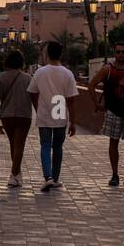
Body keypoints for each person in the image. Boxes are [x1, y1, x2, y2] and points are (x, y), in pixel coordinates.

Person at [88, 40, 124, 186]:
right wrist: (97, 104)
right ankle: (114, 175)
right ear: (114, 52)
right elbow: (92, 84)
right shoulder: (107, 69)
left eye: (123, 52)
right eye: (118, 52)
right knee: (113, 142)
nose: (120, 55)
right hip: (113, 111)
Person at [27, 40, 78, 191]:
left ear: (47, 54)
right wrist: (73, 122)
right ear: (61, 54)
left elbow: (32, 92)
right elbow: (71, 100)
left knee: (45, 145)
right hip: (60, 112)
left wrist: (37, 107)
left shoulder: (40, 72)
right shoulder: (67, 74)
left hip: (44, 113)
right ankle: (55, 178)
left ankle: (47, 177)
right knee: (57, 147)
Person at [0, 49, 33, 187]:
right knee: (19, 145)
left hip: (7, 115)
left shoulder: (2, 77)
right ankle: (14, 174)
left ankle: (16, 174)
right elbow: (33, 95)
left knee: (13, 144)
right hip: (24, 115)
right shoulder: (27, 78)